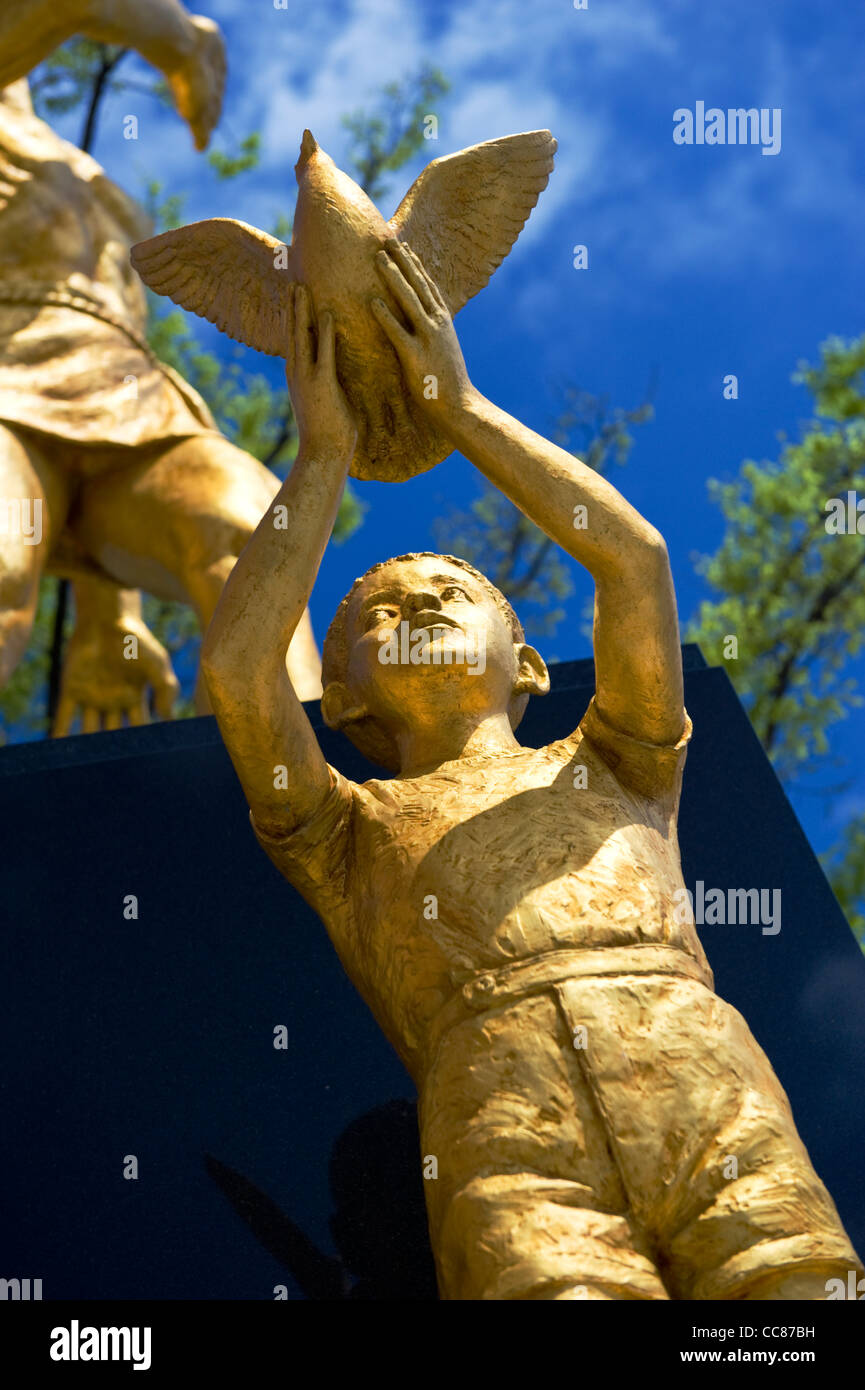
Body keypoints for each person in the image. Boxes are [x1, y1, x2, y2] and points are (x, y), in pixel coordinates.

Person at [201, 240, 862, 1300]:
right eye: (376, 613)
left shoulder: (620, 761)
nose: (414, 603)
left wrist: (456, 407)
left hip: (698, 1072)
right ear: (348, 698)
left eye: (451, 594)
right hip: (498, 1111)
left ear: (526, 666)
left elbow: (634, 558)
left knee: (788, 1288)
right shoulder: (338, 832)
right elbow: (238, 668)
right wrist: (324, 454)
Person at [0, 0, 320, 734]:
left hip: (128, 396)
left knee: (251, 532)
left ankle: (289, 815)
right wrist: (181, 41)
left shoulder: (72, 167)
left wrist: (109, 616)